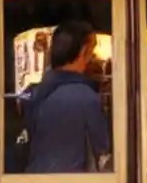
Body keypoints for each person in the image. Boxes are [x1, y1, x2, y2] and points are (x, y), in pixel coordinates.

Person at [23, 21, 111, 173]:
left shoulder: (34, 94)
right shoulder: (87, 98)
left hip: (35, 181)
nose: (95, 57)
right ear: (83, 52)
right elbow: (103, 151)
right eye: (93, 49)